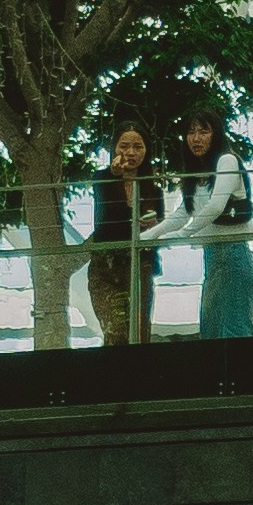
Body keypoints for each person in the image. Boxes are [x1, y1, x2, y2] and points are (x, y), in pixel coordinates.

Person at [149, 108, 253, 338]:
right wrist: (148, 236)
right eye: (191, 132)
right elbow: (184, 212)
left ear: (216, 134)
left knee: (235, 330)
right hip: (211, 256)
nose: (196, 138)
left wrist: (183, 234)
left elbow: (216, 206)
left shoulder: (227, 160)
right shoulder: (197, 172)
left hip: (233, 253)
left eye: (204, 131)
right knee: (211, 331)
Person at [82, 123, 158, 347]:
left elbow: (159, 231)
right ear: (114, 149)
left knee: (139, 335)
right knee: (116, 333)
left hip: (140, 267)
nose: (131, 153)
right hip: (106, 268)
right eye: (124, 146)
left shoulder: (153, 188)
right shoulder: (102, 179)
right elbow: (106, 221)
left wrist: (153, 226)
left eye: (138, 147)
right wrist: (114, 175)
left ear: (146, 151)